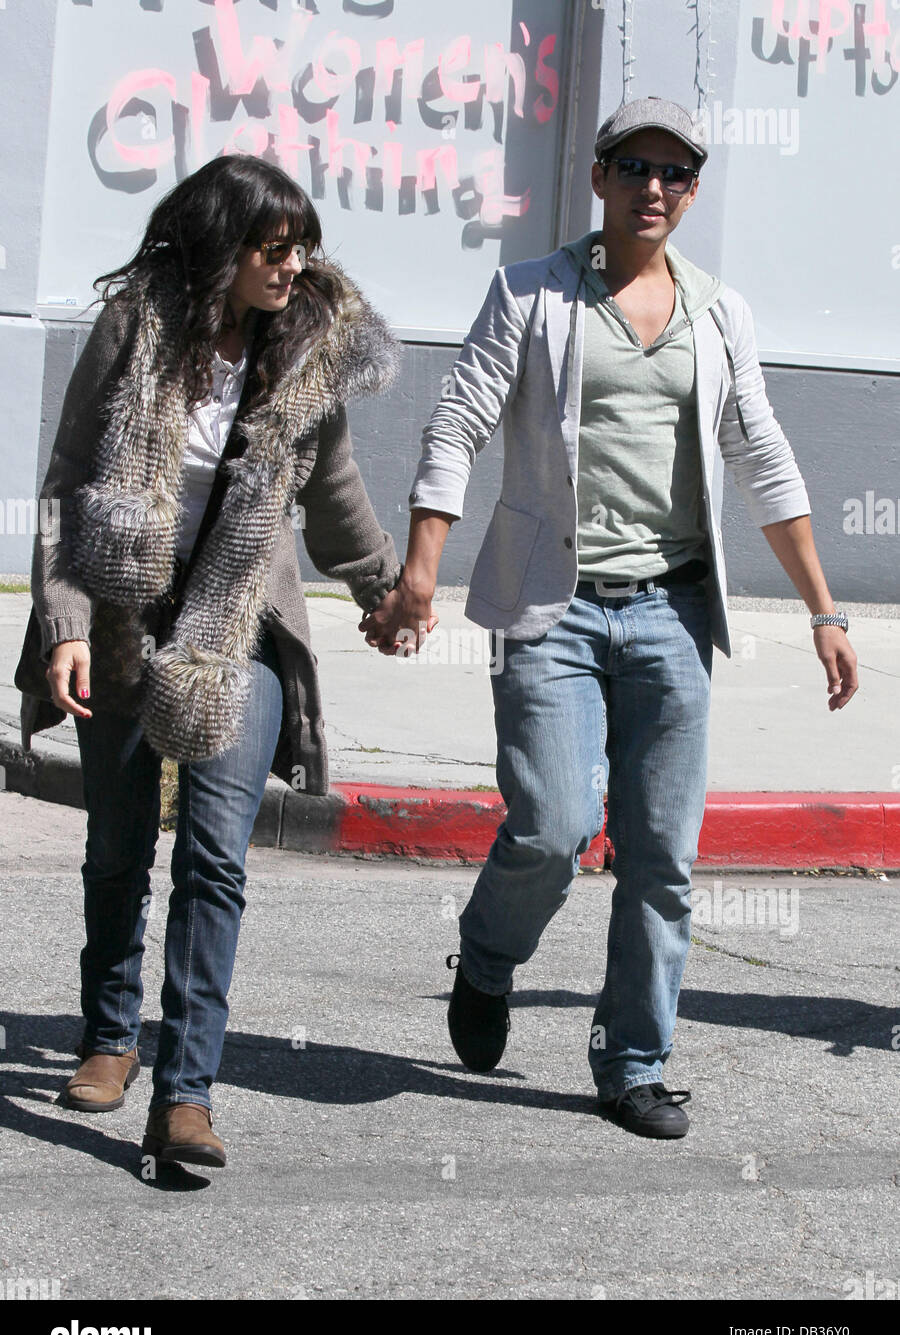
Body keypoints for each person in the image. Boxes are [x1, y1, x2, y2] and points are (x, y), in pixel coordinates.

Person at [360, 98, 859, 1140]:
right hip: (554, 608)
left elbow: (760, 452)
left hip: (674, 613)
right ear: (599, 178)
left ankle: (631, 1059)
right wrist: (420, 570)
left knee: (663, 857)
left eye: (677, 174)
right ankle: (490, 958)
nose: (655, 189)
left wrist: (823, 607)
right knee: (551, 826)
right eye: (636, 167)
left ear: (691, 192)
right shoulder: (532, 294)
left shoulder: (719, 313)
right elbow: (459, 417)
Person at [15, 154, 402, 1169]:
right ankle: (109, 1033)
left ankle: (188, 1092)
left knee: (215, 857)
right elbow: (67, 482)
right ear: (220, 249)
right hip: (124, 614)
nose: (293, 266)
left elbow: (337, 492)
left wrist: (384, 589)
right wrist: (61, 625)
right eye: (274, 248)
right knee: (118, 841)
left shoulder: (307, 351)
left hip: (242, 628)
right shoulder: (135, 330)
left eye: (301, 247)